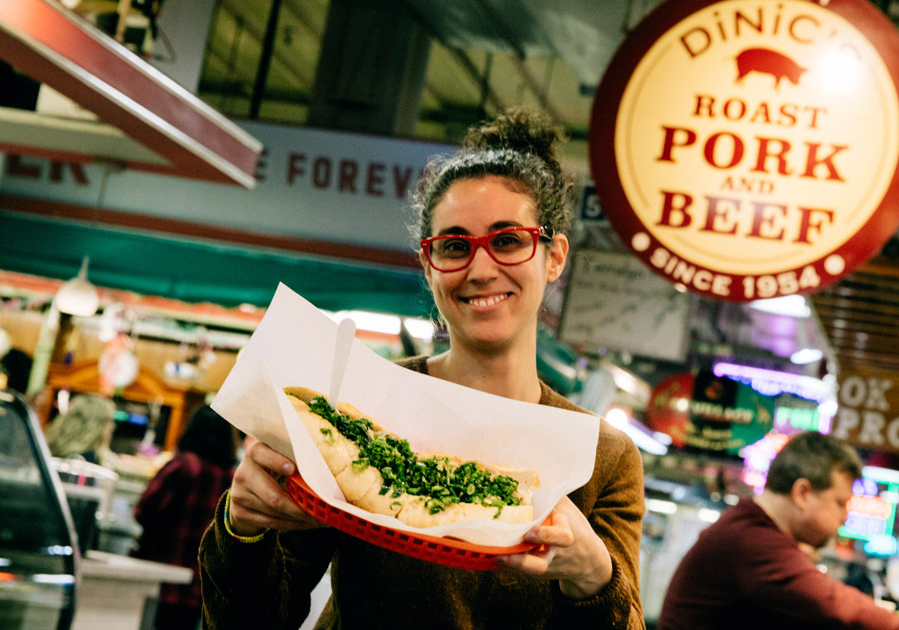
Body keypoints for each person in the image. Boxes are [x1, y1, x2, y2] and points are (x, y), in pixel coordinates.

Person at [199, 107, 646, 629]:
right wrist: (243, 529)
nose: (481, 269)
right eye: (454, 246)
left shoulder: (603, 460)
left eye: (507, 240)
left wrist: (594, 578)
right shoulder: (355, 406)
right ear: (428, 264)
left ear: (553, 256)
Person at [658, 431, 899, 630]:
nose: (844, 516)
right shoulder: (753, 540)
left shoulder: (749, 528)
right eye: (839, 502)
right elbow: (835, 606)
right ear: (802, 492)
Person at [133, 405, 239, 630]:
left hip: (160, 574)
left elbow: (144, 510)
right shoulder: (231, 478)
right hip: (200, 585)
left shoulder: (182, 465)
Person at [44, 393, 117, 466]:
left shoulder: (45, 447)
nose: (113, 426)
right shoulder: (89, 460)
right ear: (92, 425)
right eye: (108, 421)